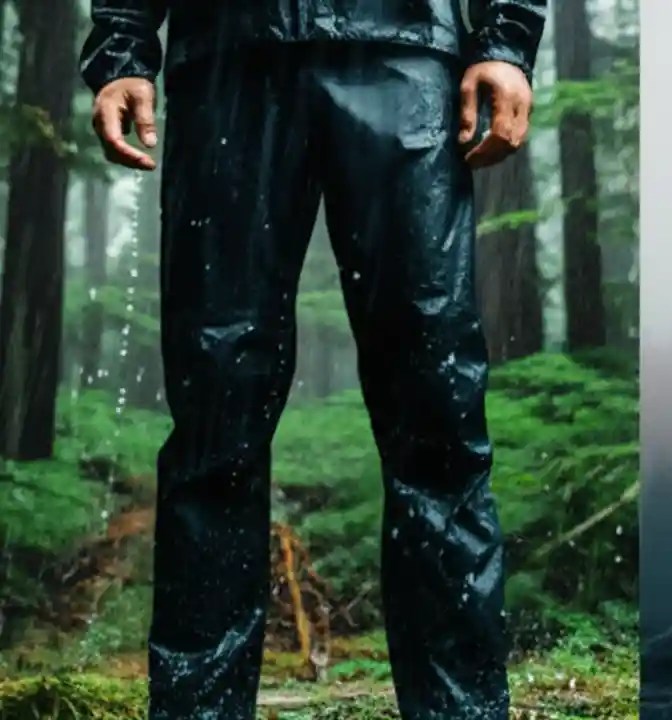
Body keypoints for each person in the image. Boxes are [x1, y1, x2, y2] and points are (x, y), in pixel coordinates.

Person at [80, 1, 545, 718]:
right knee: (215, 421)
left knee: (437, 413)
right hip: (231, 58)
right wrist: (122, 47)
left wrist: (506, 41)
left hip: (404, 53)